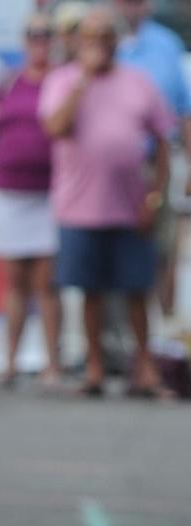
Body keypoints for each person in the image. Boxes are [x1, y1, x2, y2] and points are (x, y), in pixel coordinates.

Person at [40, 5, 173, 396]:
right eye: (90, 38)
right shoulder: (63, 80)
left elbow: (163, 139)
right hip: (79, 208)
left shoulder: (138, 81)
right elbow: (55, 127)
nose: (98, 45)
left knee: (136, 290)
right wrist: (82, 79)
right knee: (90, 292)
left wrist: (155, 196)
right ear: (77, 43)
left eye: (104, 38)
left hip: (131, 207)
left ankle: (143, 368)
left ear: (117, 42)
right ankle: (95, 368)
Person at [0, 14, 62, 388]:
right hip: (9, 193)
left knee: (47, 283)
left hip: (51, 194)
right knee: (14, 283)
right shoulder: (8, 83)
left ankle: (52, 365)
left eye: (45, 35)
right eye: (33, 35)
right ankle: (10, 362)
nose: (39, 41)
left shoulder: (63, 81)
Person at [114, 0, 191, 321]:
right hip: (113, 169)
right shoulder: (101, 43)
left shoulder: (167, 44)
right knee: (118, 251)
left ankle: (168, 335)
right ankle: (124, 342)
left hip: (158, 160)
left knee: (164, 248)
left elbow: (184, 111)